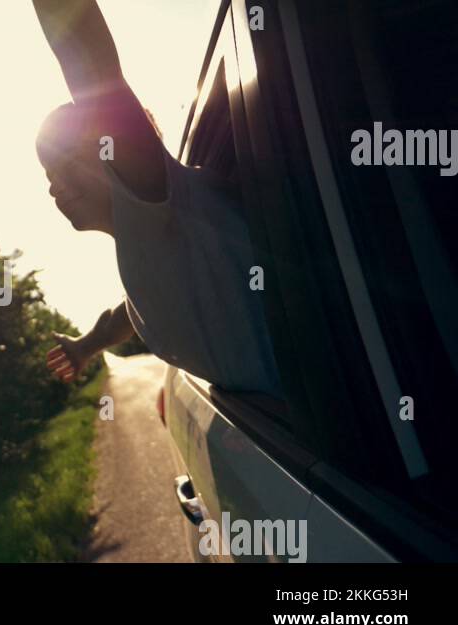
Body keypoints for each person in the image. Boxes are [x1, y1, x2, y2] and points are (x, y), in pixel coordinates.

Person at [34, 0, 282, 398]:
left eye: (66, 163)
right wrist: (85, 346)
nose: (54, 185)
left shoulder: (158, 205)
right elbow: (127, 313)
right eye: (49, 175)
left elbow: (92, 69)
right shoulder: (150, 241)